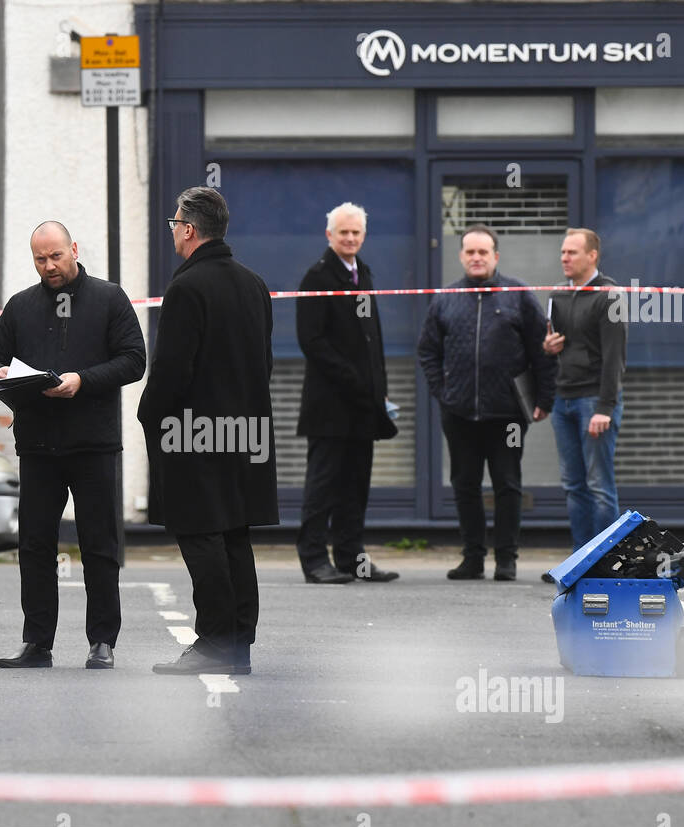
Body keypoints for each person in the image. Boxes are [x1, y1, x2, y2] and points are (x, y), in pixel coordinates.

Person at [0, 222, 145, 670]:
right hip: (38, 446)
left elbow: (134, 359)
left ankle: (102, 641)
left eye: (55, 256)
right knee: (34, 546)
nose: (49, 266)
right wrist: (2, 375)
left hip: (93, 444)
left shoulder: (110, 298)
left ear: (74, 248)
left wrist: (82, 381)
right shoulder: (21, 306)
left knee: (99, 545)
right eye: (40, 259)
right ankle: (37, 644)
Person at [139, 187, 278, 675]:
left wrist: (150, 417)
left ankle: (215, 640)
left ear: (189, 230)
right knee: (234, 532)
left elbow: (172, 370)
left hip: (193, 432)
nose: (173, 230)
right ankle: (238, 640)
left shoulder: (187, 288)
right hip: (243, 430)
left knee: (200, 532)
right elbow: (264, 364)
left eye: (175, 222)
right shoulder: (254, 284)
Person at [417, 224, 555, 582]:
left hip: (507, 415)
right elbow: (428, 352)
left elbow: (541, 349)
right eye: (470, 252)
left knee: (507, 484)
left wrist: (544, 398)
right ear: (461, 256)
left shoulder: (519, 295)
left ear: (495, 256)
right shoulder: (445, 299)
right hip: (459, 413)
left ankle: (506, 559)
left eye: (483, 252)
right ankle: (473, 558)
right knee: (465, 485)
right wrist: (442, 393)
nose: (476, 258)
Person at [294, 202, 399, 585]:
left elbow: (372, 340)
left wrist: (378, 391)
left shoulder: (363, 273)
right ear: (330, 236)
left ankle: (352, 558)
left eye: (356, 233)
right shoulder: (317, 277)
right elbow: (312, 341)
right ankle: (314, 559)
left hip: (363, 406)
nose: (351, 238)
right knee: (323, 486)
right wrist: (355, 380)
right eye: (344, 233)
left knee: (355, 486)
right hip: (330, 405)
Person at [542, 227, 625, 570]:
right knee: (573, 485)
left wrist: (605, 407)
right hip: (564, 400)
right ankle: (580, 561)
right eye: (563, 252)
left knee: (599, 486)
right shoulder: (558, 295)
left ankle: (606, 561)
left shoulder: (610, 295)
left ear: (592, 256)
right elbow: (552, 346)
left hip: (595, 402)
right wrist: (547, 349)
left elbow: (614, 357)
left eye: (572, 252)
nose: (564, 258)